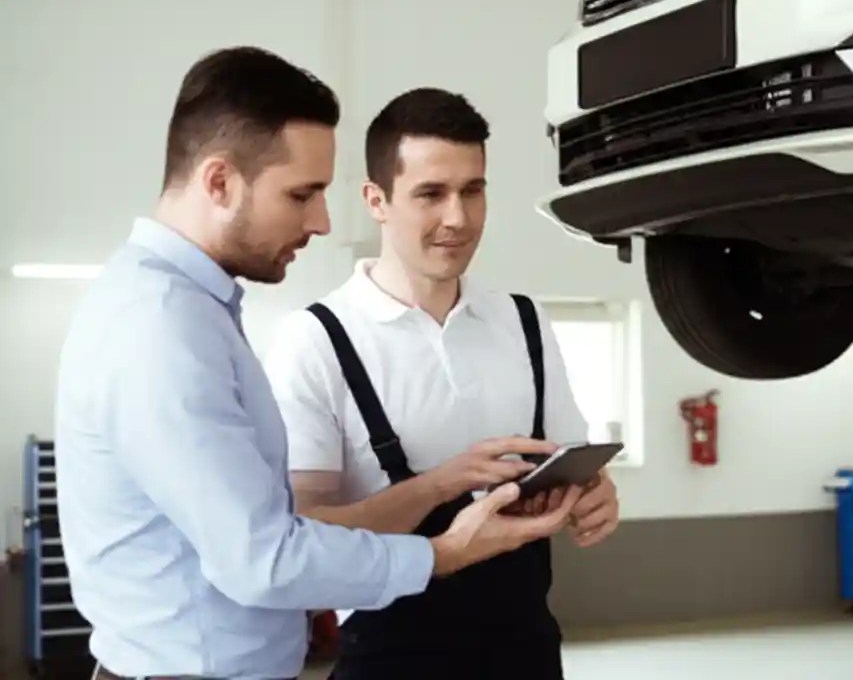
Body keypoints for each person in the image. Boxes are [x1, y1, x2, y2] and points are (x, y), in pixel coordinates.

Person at [53, 47, 580, 680]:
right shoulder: (161, 326)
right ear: (219, 182)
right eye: (302, 194)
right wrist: (439, 553)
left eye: (473, 190)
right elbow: (265, 557)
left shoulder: (193, 311)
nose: (323, 222)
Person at [262, 87, 622, 679]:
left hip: (527, 653)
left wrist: (593, 495)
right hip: (390, 659)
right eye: (431, 194)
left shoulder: (525, 322)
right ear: (376, 200)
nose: (458, 218)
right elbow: (305, 534)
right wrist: (437, 485)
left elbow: (574, 465)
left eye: (472, 191)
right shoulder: (317, 340)